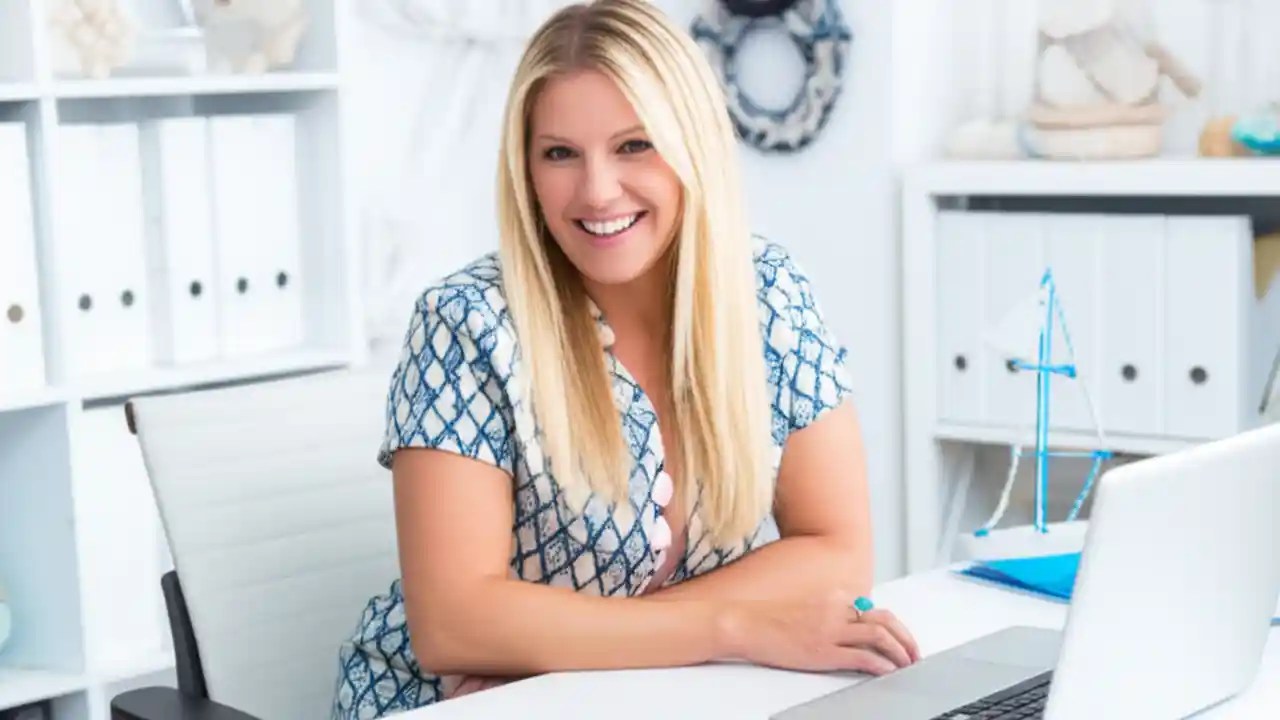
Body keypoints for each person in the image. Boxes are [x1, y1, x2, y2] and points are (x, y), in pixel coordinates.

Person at [331, 1, 918, 717]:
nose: (597, 191)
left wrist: (562, 644)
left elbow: (838, 552)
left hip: (653, 696)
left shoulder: (769, 294)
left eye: (634, 145)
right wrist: (734, 625)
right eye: (560, 154)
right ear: (526, 170)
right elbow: (454, 624)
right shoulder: (464, 324)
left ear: (691, 146)